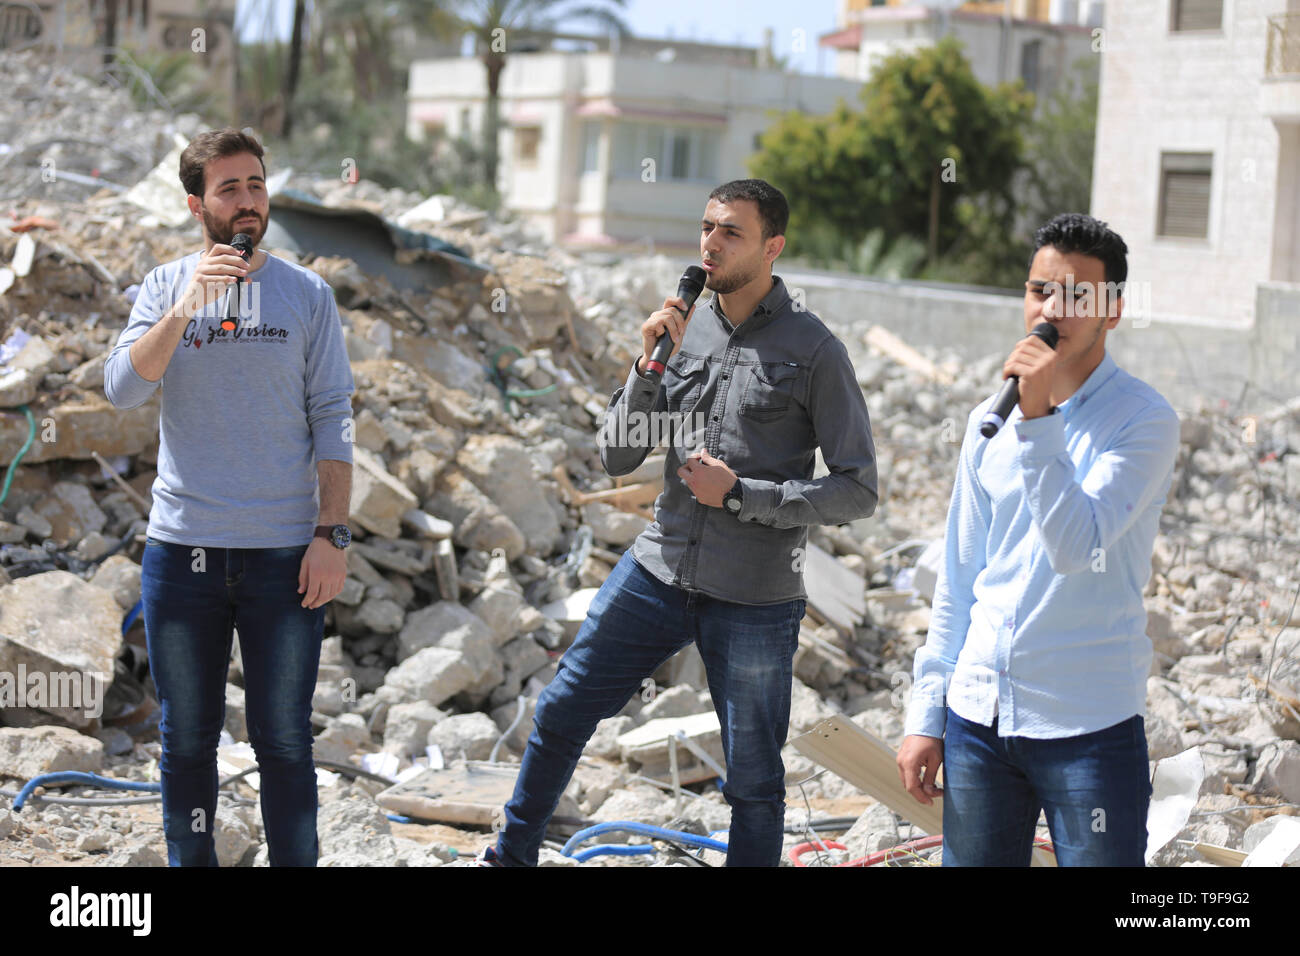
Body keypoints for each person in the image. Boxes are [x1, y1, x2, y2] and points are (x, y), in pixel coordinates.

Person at [479, 179, 878, 867]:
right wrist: (644, 366)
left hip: (754, 596)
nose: (711, 243)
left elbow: (858, 489)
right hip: (659, 569)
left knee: (753, 780)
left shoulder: (813, 350)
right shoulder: (679, 330)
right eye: (707, 228)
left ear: (772, 247)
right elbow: (616, 455)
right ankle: (510, 855)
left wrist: (743, 495)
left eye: (731, 232)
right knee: (561, 710)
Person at [896, 213, 1181, 866]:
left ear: (1112, 310)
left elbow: (1076, 545)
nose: (1052, 310)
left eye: (1076, 296)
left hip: (1086, 726)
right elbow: (961, 577)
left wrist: (1039, 417)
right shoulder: (987, 423)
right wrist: (926, 713)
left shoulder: (1142, 421)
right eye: (1039, 291)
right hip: (978, 720)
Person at [104, 128, 355, 866]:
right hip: (183, 554)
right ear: (196, 205)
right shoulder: (162, 286)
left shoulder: (307, 294)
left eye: (255, 185)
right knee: (186, 741)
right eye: (229, 189)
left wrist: (331, 535)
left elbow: (332, 415)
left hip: (285, 556)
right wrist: (188, 305)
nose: (247, 202)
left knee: (283, 740)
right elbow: (120, 389)